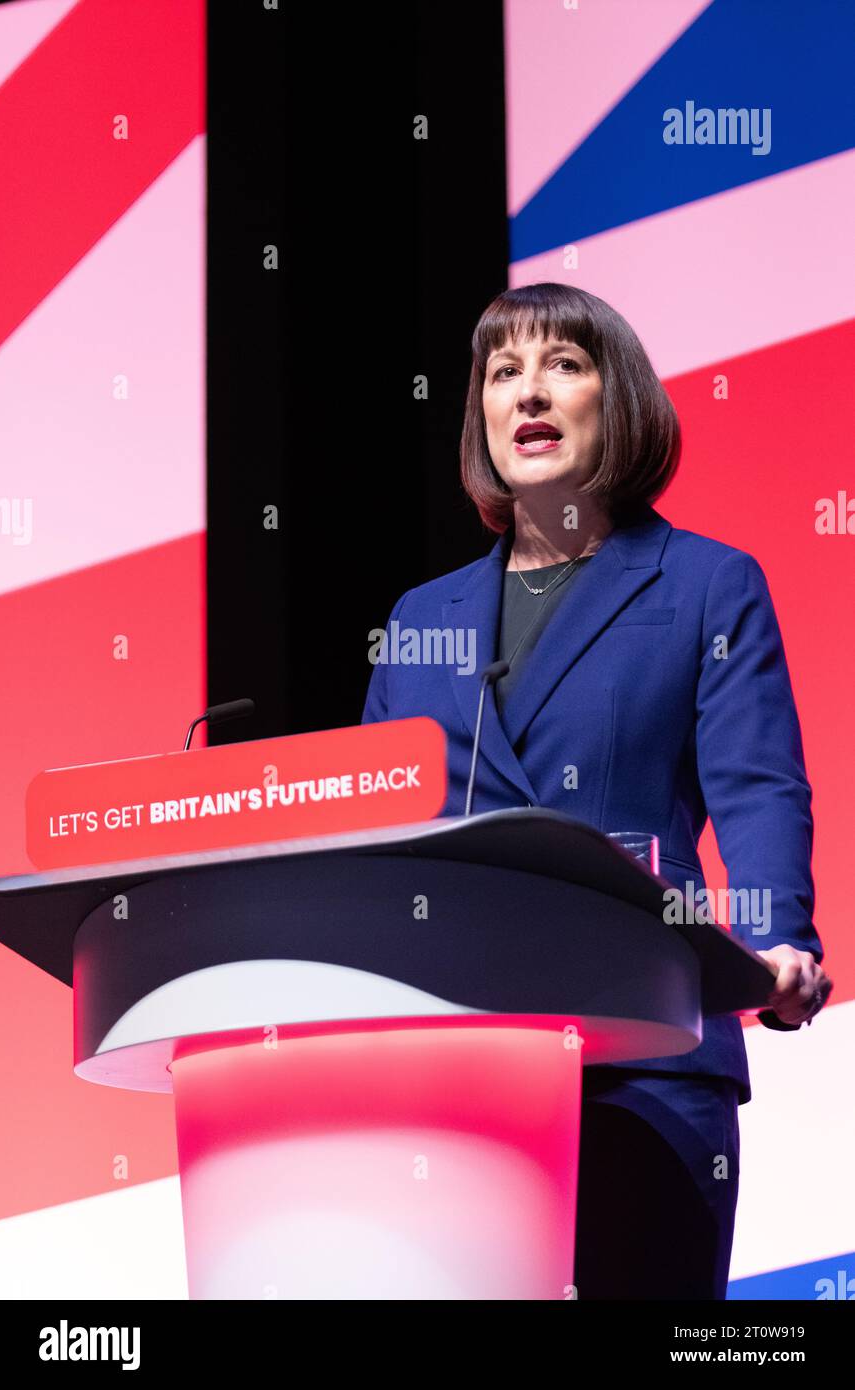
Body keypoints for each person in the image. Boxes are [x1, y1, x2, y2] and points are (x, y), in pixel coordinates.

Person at [361, 282, 832, 1299]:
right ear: (480, 417)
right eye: (502, 372)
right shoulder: (419, 617)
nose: (528, 391)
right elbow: (370, 827)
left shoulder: (704, 582)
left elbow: (754, 787)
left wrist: (774, 940)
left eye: (562, 365)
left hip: (647, 1048)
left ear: (613, 401)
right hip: (461, 1061)